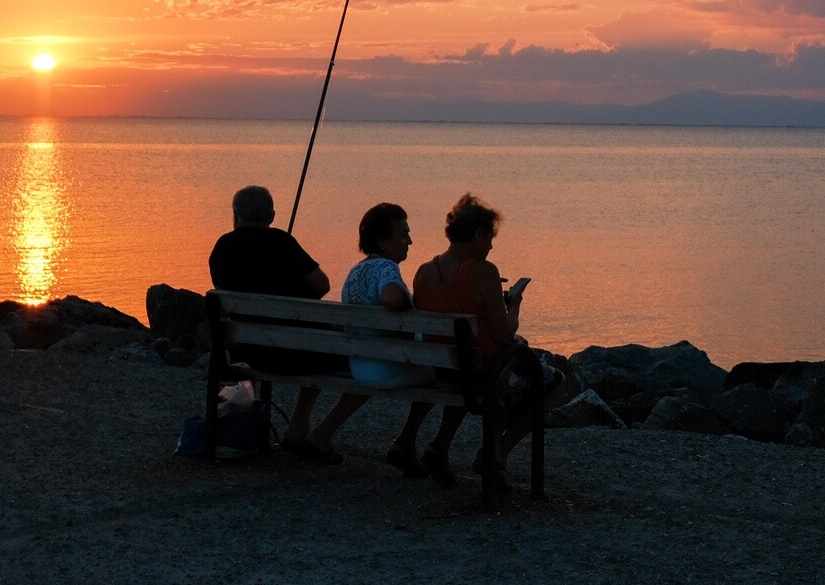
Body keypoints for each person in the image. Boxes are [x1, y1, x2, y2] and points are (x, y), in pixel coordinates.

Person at [405, 193, 561, 492]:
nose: (490, 246)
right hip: (481, 375)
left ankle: (439, 447)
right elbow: (505, 337)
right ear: (477, 234)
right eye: (490, 238)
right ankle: (495, 454)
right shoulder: (483, 271)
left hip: (447, 371)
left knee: (472, 364)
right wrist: (513, 304)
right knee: (553, 383)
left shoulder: (424, 272)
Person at [207, 184, 365, 463]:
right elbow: (322, 285)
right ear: (271, 215)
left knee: (316, 342)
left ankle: (297, 427)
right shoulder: (281, 242)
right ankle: (320, 436)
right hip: (296, 352)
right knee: (363, 364)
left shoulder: (221, 248)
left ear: (235, 215)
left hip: (254, 353)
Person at [341, 202, 436, 476]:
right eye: (403, 234)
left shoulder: (355, 272)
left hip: (359, 367)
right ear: (383, 242)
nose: (410, 240)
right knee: (445, 370)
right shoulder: (386, 268)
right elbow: (392, 298)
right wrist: (410, 299)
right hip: (385, 369)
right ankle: (407, 442)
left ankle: (406, 443)